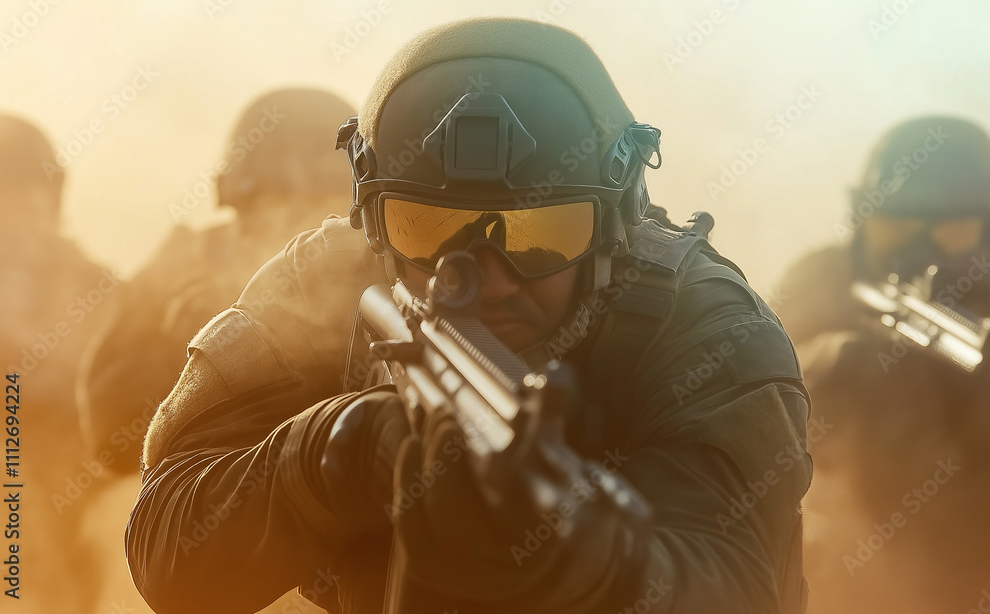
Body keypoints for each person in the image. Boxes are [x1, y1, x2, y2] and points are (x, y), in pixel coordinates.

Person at [127, 18, 811, 614]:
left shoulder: (703, 321)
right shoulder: (327, 283)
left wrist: (584, 556)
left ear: (613, 229)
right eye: (428, 229)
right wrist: (340, 454)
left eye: (540, 234)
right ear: (372, 221)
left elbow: (735, 587)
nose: (484, 277)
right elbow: (169, 558)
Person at [77, 87, 355, 474]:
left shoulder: (381, 267)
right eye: (278, 200)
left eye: (324, 204)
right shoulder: (185, 262)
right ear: (238, 196)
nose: (306, 229)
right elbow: (109, 438)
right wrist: (198, 347)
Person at [775, 116, 990, 614]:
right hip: (833, 571)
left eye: (949, 232)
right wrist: (827, 364)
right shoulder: (824, 279)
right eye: (895, 227)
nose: (920, 253)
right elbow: (730, 386)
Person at [0, 112, 109, 613]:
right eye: (10, 190)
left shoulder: (95, 288)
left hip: (74, 533)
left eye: (33, 189)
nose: (29, 208)